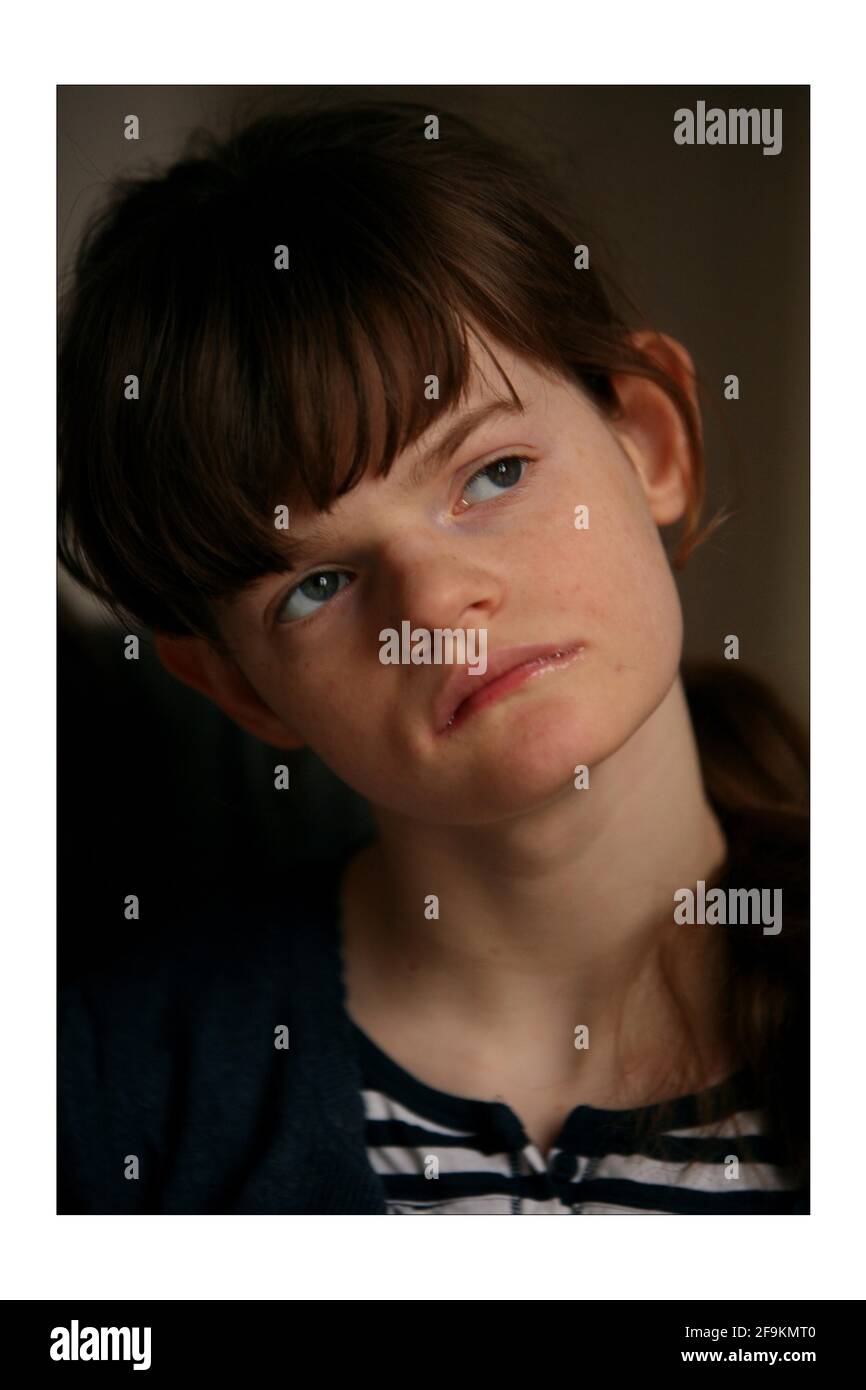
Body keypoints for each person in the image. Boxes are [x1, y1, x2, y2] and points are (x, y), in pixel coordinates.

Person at [58, 100, 808, 1214]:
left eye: (493, 473)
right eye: (316, 585)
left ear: (652, 442)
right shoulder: (105, 1094)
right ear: (237, 689)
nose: (438, 603)